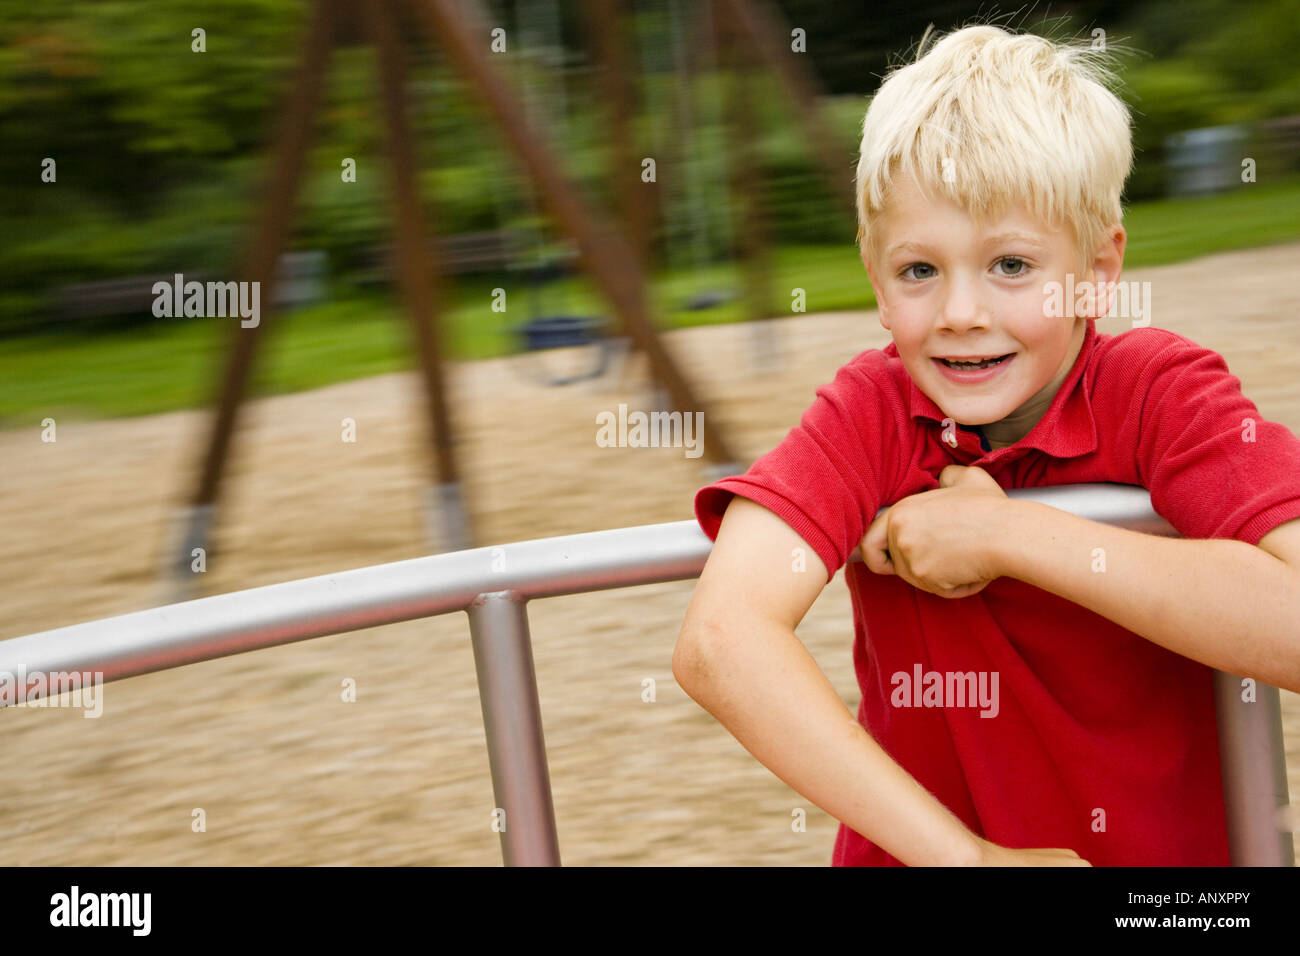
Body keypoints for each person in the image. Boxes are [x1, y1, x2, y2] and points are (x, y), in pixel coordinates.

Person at [672, 23, 1300, 866]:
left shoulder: (1159, 392)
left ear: (1098, 267)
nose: (961, 312)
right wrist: (966, 861)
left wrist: (1007, 534)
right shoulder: (875, 410)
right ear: (875, 277)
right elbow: (721, 641)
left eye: (1011, 266)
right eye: (919, 271)